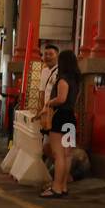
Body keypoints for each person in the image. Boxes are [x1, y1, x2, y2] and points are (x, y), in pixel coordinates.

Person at [40, 49, 79, 199]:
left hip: (60, 118)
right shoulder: (76, 80)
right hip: (70, 119)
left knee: (58, 155)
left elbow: (61, 99)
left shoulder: (63, 79)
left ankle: (55, 187)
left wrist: (50, 102)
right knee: (67, 155)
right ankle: (63, 186)